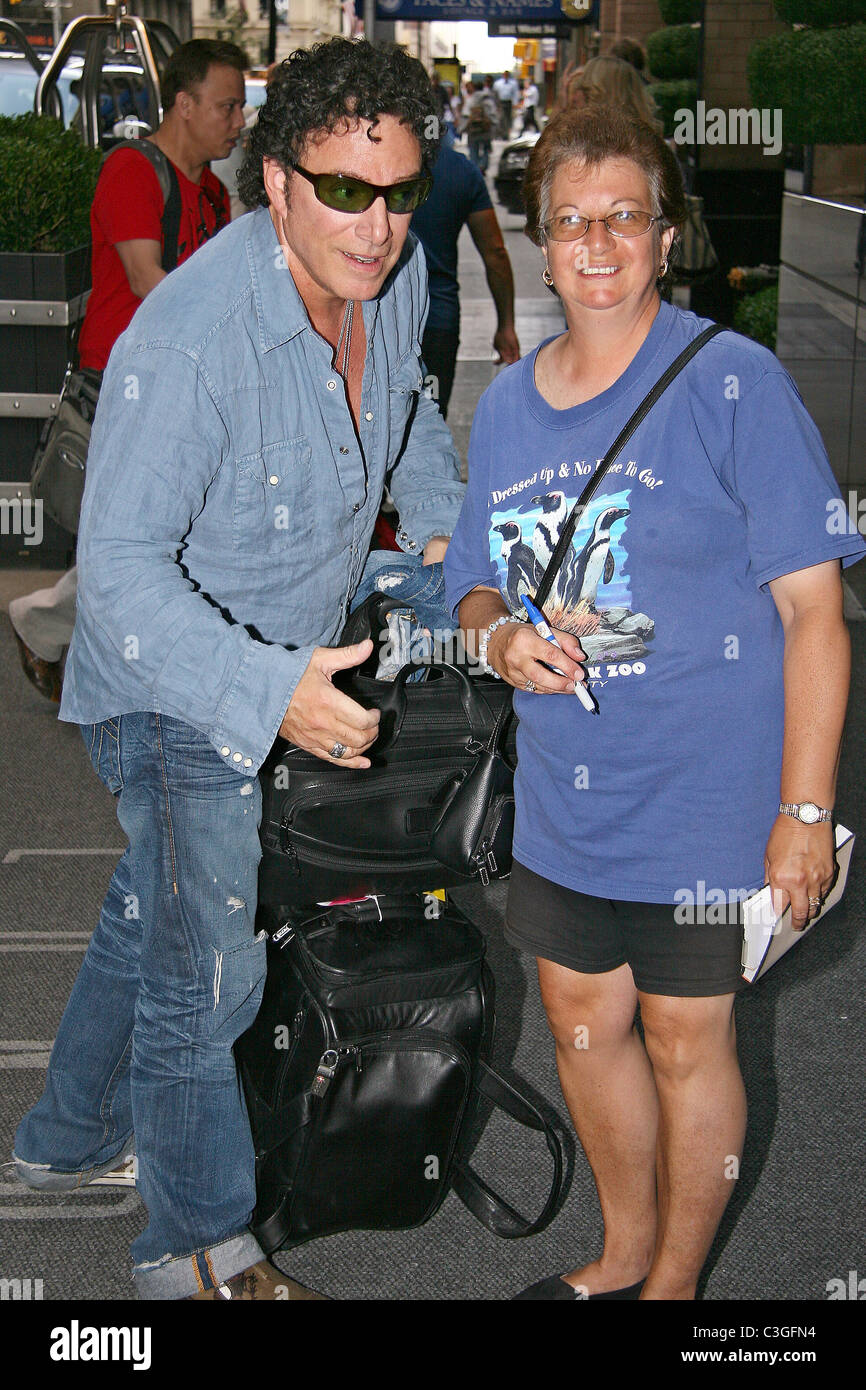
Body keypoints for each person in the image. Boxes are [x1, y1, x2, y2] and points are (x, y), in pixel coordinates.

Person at [13, 37, 464, 1302]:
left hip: (290, 641)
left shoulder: (399, 270)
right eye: (342, 192)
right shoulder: (193, 336)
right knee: (206, 969)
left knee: (155, 906)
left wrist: (443, 538)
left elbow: (414, 419)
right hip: (174, 678)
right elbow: (120, 577)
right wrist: (271, 693)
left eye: (397, 193)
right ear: (275, 181)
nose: (375, 230)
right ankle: (194, 1253)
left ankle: (60, 1139)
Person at [444, 105, 865, 1301]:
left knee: (687, 1038)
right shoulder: (514, 403)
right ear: (538, 240)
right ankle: (621, 1247)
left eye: (620, 216)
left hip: (708, 795)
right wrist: (494, 637)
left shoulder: (733, 382)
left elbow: (811, 613)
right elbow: (471, 582)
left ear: (664, 233)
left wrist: (801, 808)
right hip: (571, 800)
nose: (593, 242)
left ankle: (672, 1286)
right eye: (566, 220)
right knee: (580, 1021)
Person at [9, 39, 245, 704]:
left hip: (182, 384)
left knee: (159, 532)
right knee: (146, 534)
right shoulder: (132, 170)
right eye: (226, 107)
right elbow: (148, 279)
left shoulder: (211, 194)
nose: (238, 122)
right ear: (184, 104)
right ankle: (58, 631)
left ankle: (56, 627)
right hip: (127, 383)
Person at [411, 140, 520, 418]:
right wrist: (506, 325)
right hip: (438, 321)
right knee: (431, 416)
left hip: (372, 316)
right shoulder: (461, 171)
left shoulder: (376, 158)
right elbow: (494, 253)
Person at [463, 79, 497, 173]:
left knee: (473, 148)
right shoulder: (488, 99)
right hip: (485, 129)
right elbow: (493, 114)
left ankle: (475, 167)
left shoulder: (470, 99)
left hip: (473, 129)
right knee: (486, 148)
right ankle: (483, 165)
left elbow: (465, 114)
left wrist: (463, 127)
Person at [493, 70, 519, 138]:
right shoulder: (498, 83)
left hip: (508, 102)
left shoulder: (513, 83)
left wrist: (515, 103)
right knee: (501, 118)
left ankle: (506, 134)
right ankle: (500, 133)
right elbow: (495, 94)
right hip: (500, 103)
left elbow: (515, 94)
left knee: (508, 119)